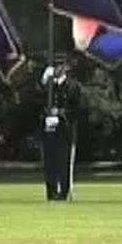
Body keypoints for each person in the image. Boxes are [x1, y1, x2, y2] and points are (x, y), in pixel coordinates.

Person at [40, 59, 81, 201]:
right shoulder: (48, 86)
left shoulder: (72, 86)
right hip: (49, 130)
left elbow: (76, 109)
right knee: (49, 163)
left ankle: (64, 193)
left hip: (65, 131)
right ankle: (51, 192)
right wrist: (43, 82)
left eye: (59, 66)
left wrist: (60, 114)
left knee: (64, 164)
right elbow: (36, 100)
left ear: (65, 67)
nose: (56, 69)